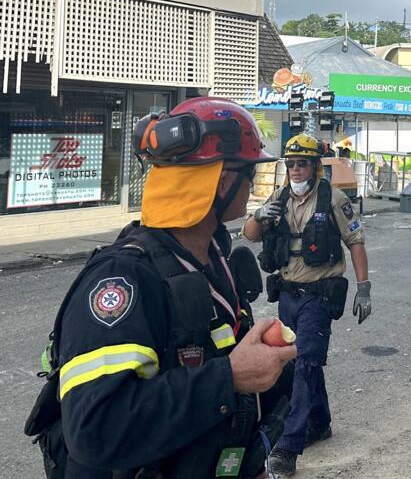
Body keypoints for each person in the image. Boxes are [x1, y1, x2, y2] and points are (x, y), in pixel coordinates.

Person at [25, 97, 296, 478]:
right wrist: (229, 376)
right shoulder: (125, 278)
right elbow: (94, 430)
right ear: (222, 181)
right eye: (248, 172)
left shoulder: (211, 254)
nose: (252, 184)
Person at [242, 133, 372, 476]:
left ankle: (288, 447)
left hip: (318, 296)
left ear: (315, 167)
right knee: (304, 363)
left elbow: (355, 241)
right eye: (291, 164)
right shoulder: (279, 197)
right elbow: (249, 235)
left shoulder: (334, 199)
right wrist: (259, 214)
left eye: (302, 164)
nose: (295, 170)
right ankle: (320, 421)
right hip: (288, 296)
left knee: (303, 364)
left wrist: (364, 288)